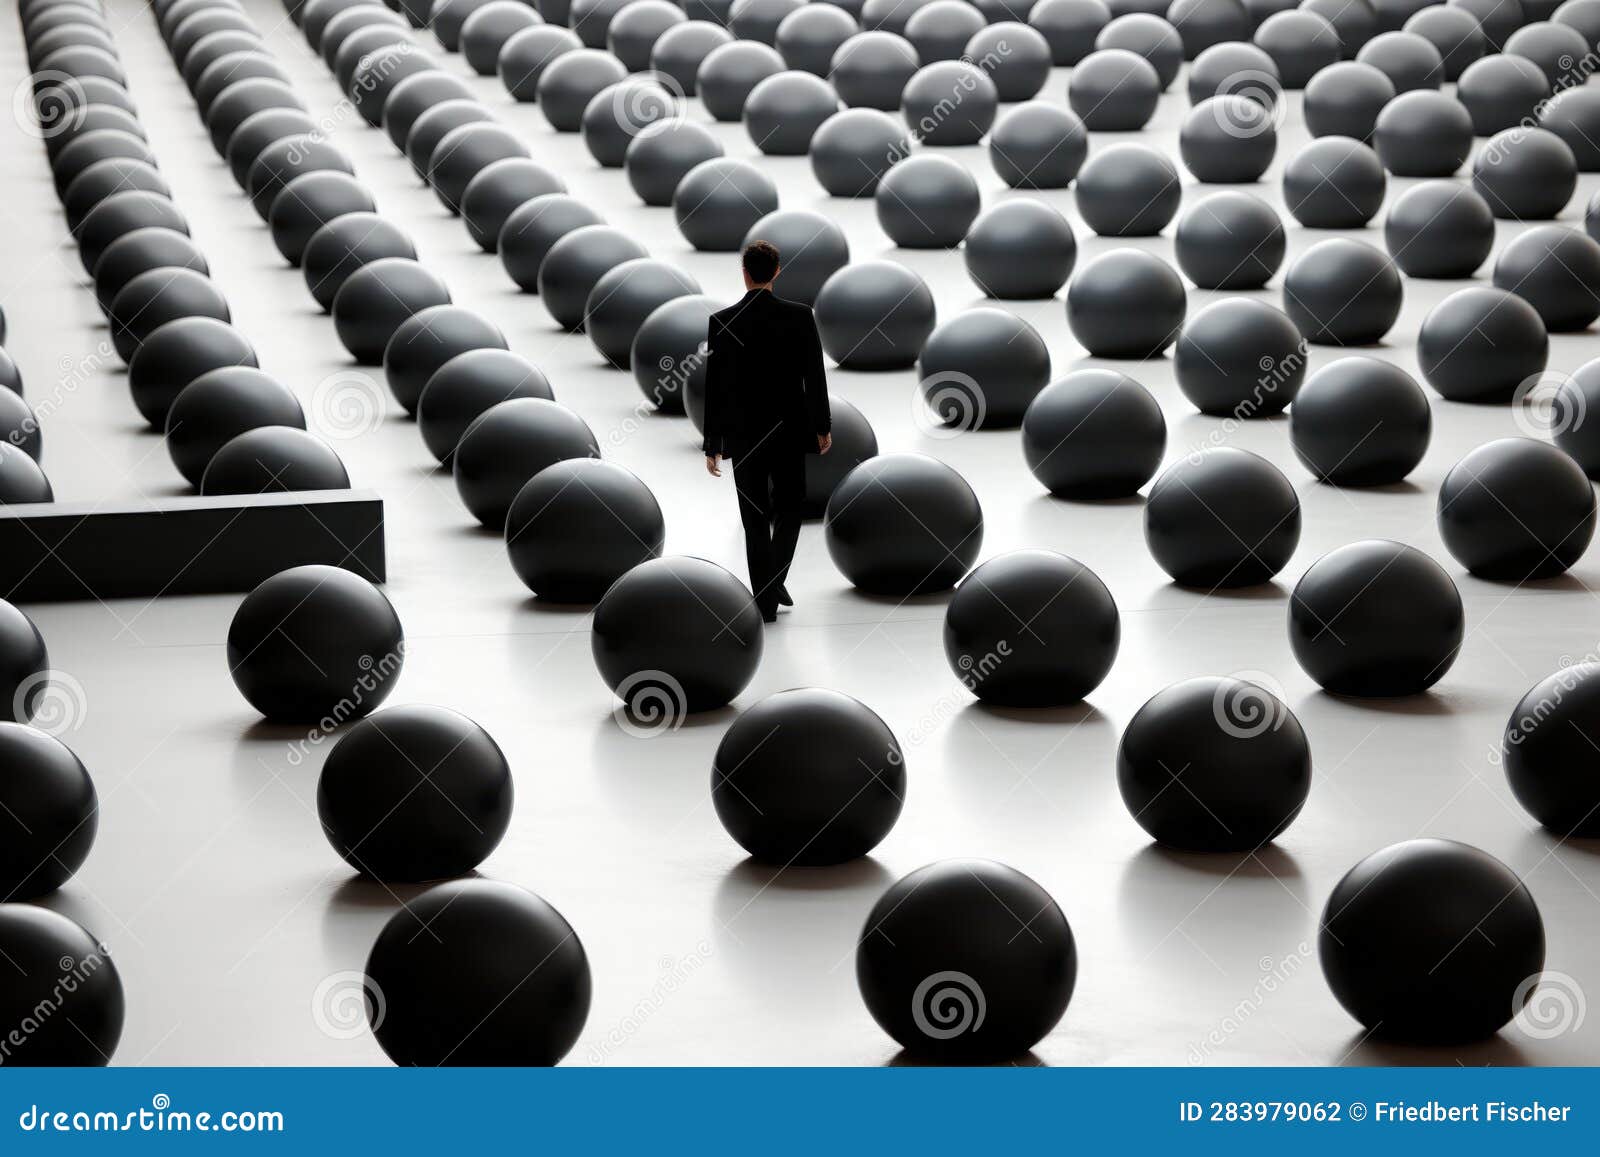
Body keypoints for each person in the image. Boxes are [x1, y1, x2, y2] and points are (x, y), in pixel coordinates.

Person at [702, 240, 832, 623]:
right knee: (791, 509)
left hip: (745, 434)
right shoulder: (800, 316)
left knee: (754, 516)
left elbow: (716, 388)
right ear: (777, 272)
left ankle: (765, 597)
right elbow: (815, 377)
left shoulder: (721, 322)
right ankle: (773, 582)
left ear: (744, 273)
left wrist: (713, 443)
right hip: (790, 430)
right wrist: (822, 427)